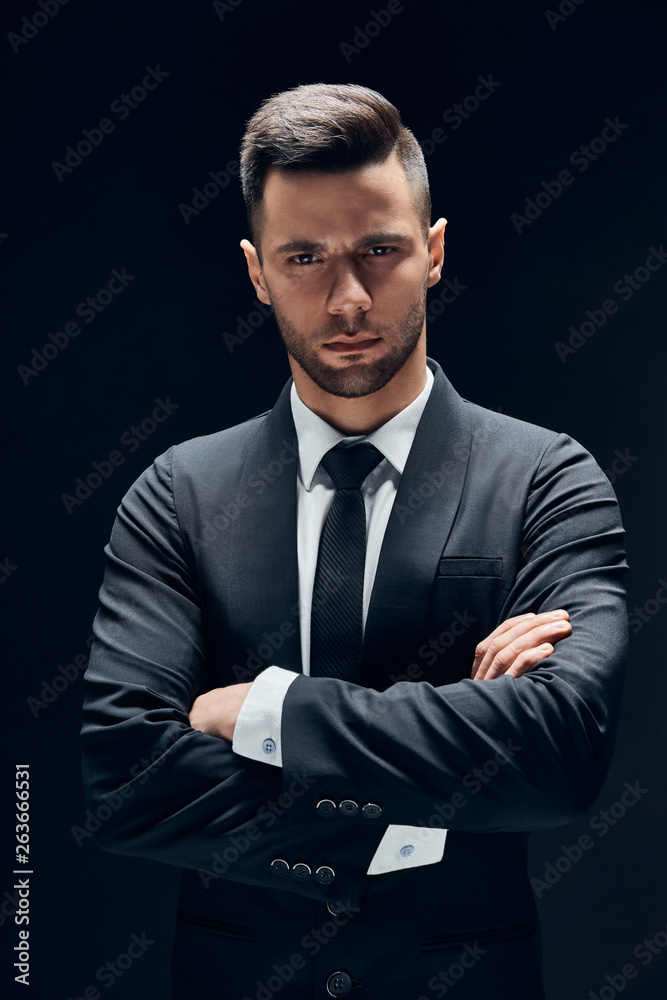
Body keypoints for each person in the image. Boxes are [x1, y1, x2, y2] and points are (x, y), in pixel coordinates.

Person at [80, 83, 629, 1000]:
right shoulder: (177, 495)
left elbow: (561, 751)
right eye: (305, 257)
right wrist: (444, 786)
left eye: (379, 249)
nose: (346, 297)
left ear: (435, 251)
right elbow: (126, 777)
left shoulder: (546, 478)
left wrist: (264, 714)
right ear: (257, 272)